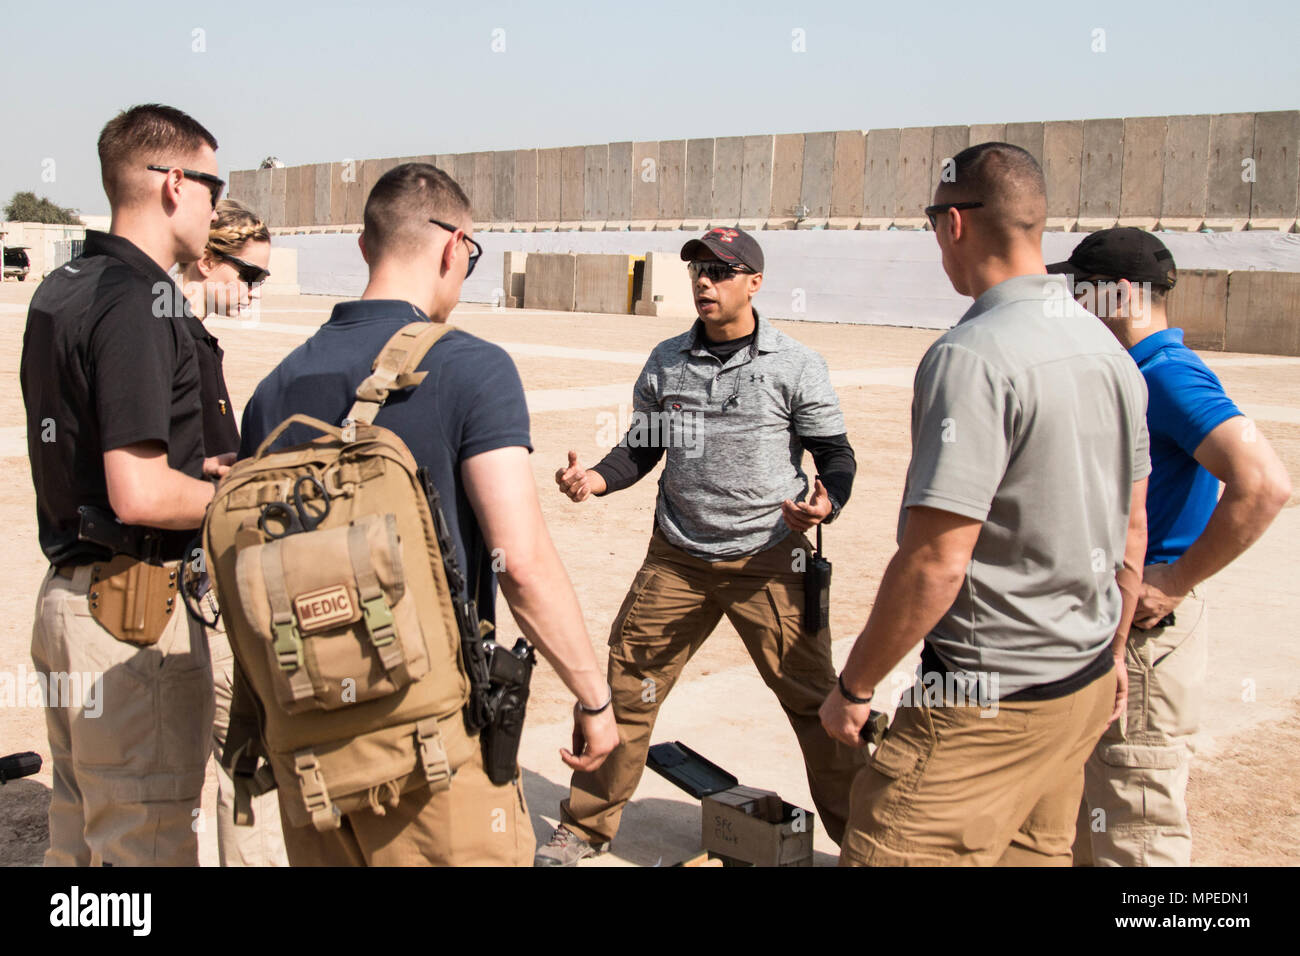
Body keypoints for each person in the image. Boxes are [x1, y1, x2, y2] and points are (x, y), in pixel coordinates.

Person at [237, 162, 618, 866]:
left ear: (363, 248)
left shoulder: (273, 389)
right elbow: (521, 562)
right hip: (428, 752)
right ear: (456, 247)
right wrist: (595, 700)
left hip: (311, 752)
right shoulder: (473, 368)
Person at [822, 142, 1151, 866]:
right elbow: (1132, 533)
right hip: (1084, 681)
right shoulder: (1108, 351)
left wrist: (855, 684)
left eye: (932, 221)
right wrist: (1115, 653)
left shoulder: (970, 357)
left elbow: (937, 563)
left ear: (957, 225)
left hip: (983, 706)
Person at [537, 226, 865, 866]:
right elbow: (642, 445)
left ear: (754, 282)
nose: (704, 283)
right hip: (678, 558)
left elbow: (835, 453)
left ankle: (864, 840)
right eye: (697, 271)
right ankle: (584, 826)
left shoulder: (795, 363)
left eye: (720, 271)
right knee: (628, 687)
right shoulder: (667, 359)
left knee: (817, 707)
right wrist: (594, 480)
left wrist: (829, 500)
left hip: (769, 560)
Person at [21, 104, 225, 866]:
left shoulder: (66, 284)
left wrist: (196, 472)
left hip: (72, 598)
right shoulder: (141, 298)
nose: (215, 205)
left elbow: (88, 445)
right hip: (132, 609)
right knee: (144, 845)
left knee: (81, 839)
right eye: (213, 184)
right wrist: (246, 499)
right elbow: (137, 491)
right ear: (176, 182)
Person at [1048, 228, 1292, 866]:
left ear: (1119, 294)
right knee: (1093, 819)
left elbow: (1264, 485)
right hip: (1110, 624)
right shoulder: (1136, 372)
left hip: (1147, 638)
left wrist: (1177, 578)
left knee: (1135, 829)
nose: (1071, 304)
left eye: (1079, 290)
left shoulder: (1168, 375)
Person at [178, 198, 287, 867]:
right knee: (250, 756)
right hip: (192, 587)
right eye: (250, 275)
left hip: (199, 579)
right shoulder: (171, 342)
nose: (253, 292)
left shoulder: (194, 341)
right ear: (207, 258)